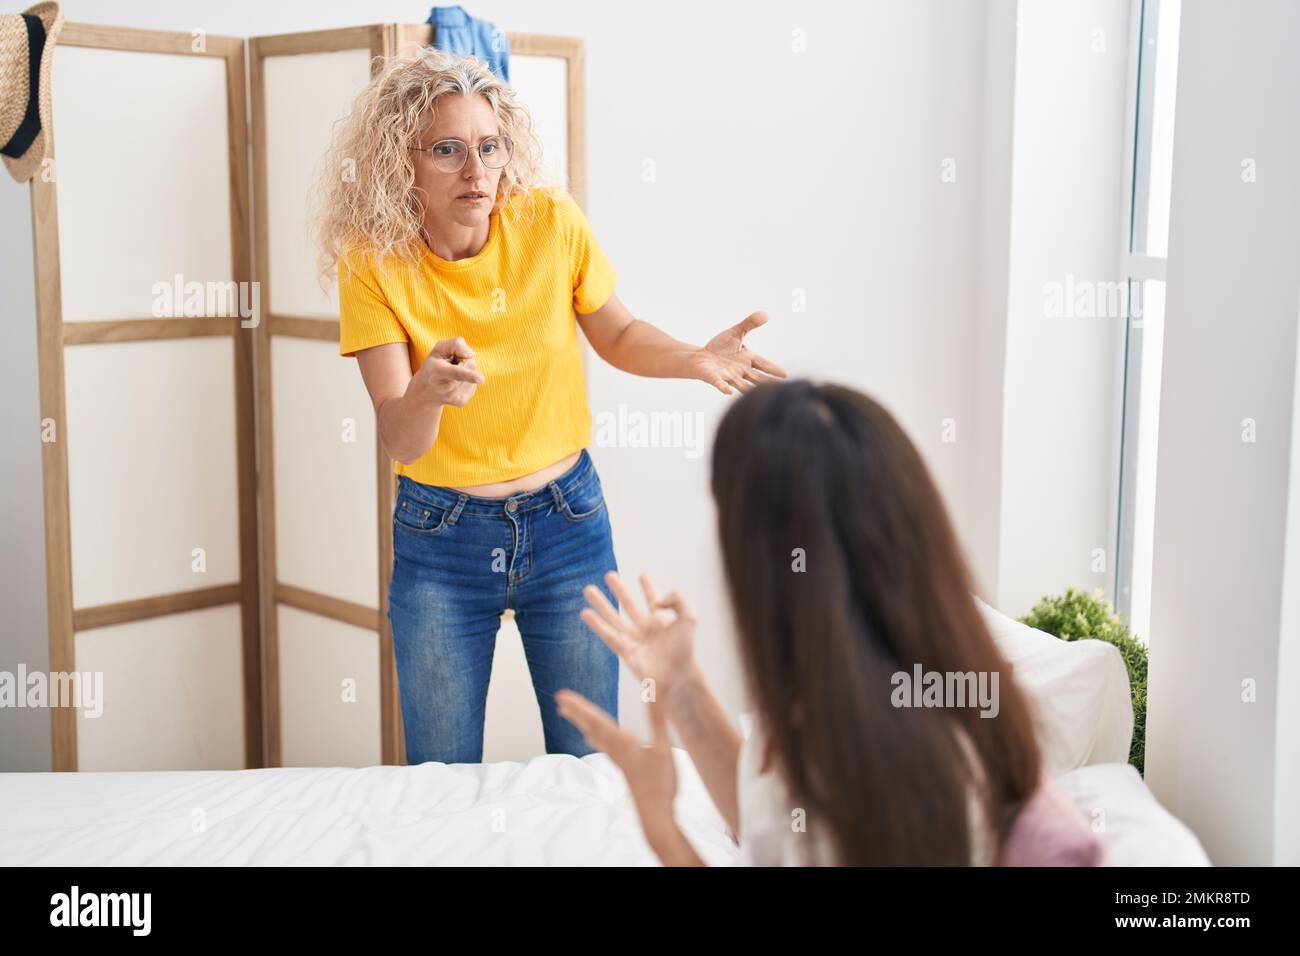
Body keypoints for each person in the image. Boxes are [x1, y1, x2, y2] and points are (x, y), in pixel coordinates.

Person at [312, 49, 786, 764]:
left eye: (488, 147)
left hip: (567, 524)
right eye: (447, 150)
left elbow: (619, 332)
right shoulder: (372, 260)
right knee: (439, 778)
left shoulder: (550, 222)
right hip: (441, 539)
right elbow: (401, 440)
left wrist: (694, 357)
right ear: (399, 160)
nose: (476, 172)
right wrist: (426, 393)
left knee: (592, 765)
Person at [558, 379, 1105, 866]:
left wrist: (662, 830)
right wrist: (681, 686)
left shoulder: (892, 768)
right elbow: (774, 824)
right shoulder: (882, 683)